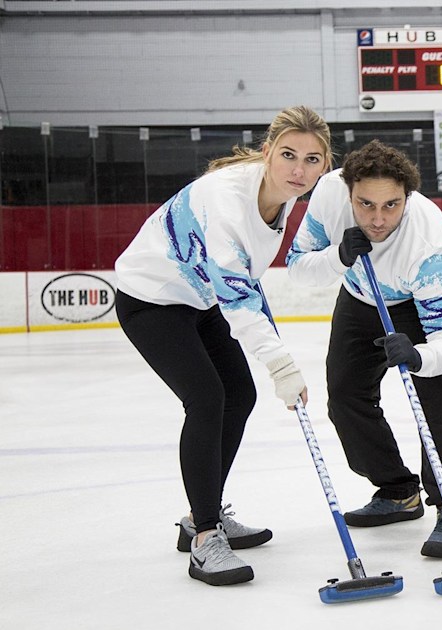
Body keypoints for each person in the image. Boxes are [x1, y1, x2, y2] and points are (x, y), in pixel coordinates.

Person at [114, 105, 332, 586]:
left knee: (241, 395)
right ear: (267, 152)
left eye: (313, 160)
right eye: (289, 155)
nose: (300, 170)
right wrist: (282, 366)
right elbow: (237, 295)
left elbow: (246, 284)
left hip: (200, 296)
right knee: (207, 398)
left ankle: (201, 512)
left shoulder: (285, 195)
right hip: (151, 298)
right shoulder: (225, 201)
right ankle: (205, 538)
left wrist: (276, 358)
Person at [286, 140, 442, 558]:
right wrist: (338, 257)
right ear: (348, 191)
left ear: (407, 198)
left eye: (391, 205)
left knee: (432, 396)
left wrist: (418, 356)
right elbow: (298, 268)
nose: (378, 219)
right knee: (345, 396)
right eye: (366, 205)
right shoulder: (328, 193)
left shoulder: (429, 247)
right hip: (358, 295)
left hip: (416, 302)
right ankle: (397, 490)